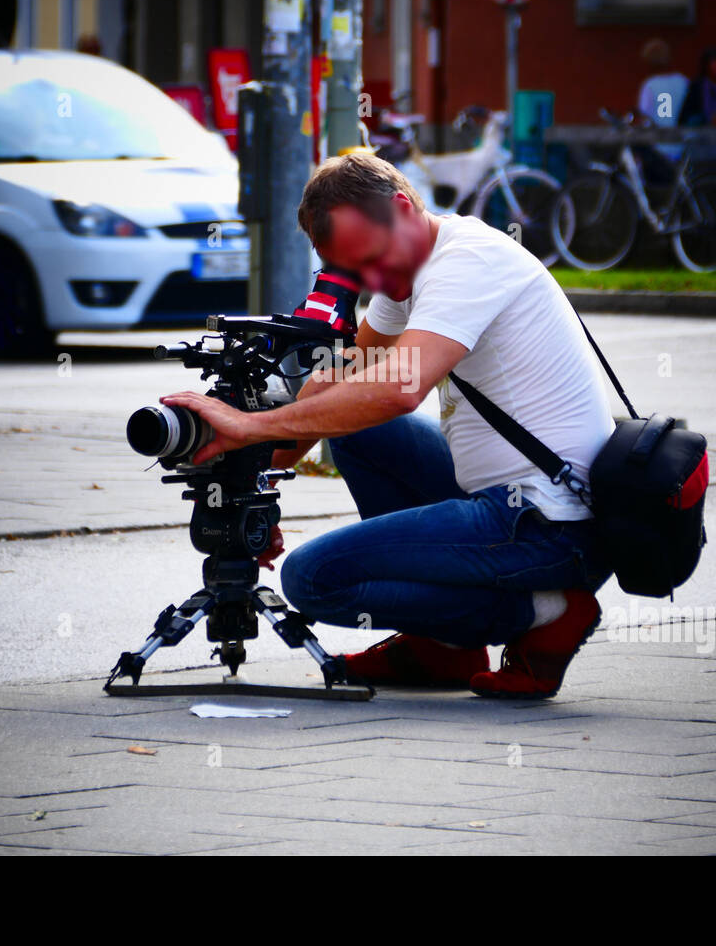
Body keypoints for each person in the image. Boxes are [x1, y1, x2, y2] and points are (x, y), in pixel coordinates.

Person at [159, 153, 617, 699]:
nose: (372, 280)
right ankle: (442, 646)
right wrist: (251, 488)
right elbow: (339, 379)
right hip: (504, 501)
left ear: (402, 209)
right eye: (356, 272)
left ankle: (548, 611)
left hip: (550, 522)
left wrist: (249, 427)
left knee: (313, 578)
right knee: (360, 429)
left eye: (372, 260)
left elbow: (399, 389)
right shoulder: (405, 271)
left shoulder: (469, 261)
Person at [635, 37, 688, 176]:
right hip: (682, 146)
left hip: (658, 149)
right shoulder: (683, 82)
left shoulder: (650, 85)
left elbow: (644, 118)